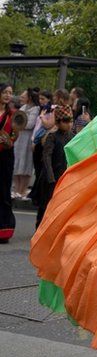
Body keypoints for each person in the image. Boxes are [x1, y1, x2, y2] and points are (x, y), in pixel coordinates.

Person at [34, 106, 74, 226]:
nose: (69, 124)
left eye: (71, 121)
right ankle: (40, 227)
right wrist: (50, 177)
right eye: (65, 121)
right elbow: (46, 157)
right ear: (58, 122)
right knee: (46, 205)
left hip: (65, 176)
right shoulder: (52, 137)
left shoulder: (72, 137)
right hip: (50, 178)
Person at [12, 88, 40, 199]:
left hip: (28, 139)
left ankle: (22, 190)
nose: (21, 98)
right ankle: (16, 189)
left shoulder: (36, 109)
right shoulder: (23, 107)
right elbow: (16, 121)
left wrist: (21, 122)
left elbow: (30, 124)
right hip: (19, 138)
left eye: (23, 96)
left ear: (29, 97)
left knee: (26, 164)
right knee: (17, 163)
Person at [0, 83, 16, 243]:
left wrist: (9, 140)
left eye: (10, 93)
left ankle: (4, 230)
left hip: (5, 156)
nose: (7, 95)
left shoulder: (13, 115)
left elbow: (14, 135)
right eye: (5, 92)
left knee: (4, 191)